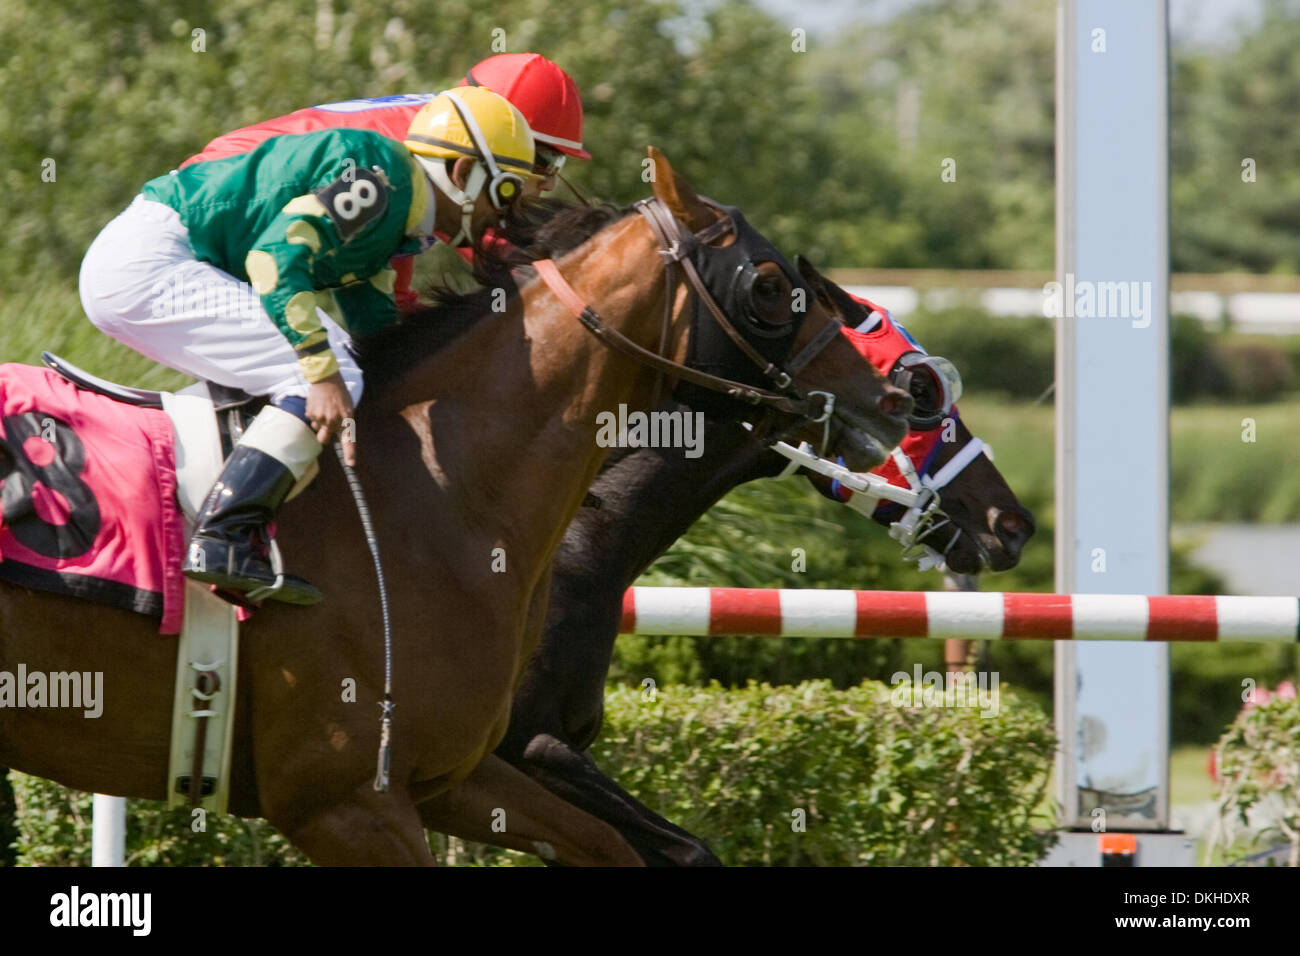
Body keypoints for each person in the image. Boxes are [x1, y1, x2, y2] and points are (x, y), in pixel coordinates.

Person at [79, 87, 536, 605]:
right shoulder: (378, 179)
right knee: (327, 367)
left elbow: (376, 323)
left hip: (153, 257)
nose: (508, 216)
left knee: (343, 364)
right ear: (462, 174)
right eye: (507, 192)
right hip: (152, 260)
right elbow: (274, 264)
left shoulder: (397, 208)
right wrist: (320, 373)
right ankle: (224, 536)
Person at [181, 53, 590, 306]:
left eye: (557, 164)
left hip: (221, 193)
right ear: (503, 131)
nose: (550, 182)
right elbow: (404, 266)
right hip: (215, 208)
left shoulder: (441, 127)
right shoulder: (419, 148)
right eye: (543, 160)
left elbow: (482, 242)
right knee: (328, 378)